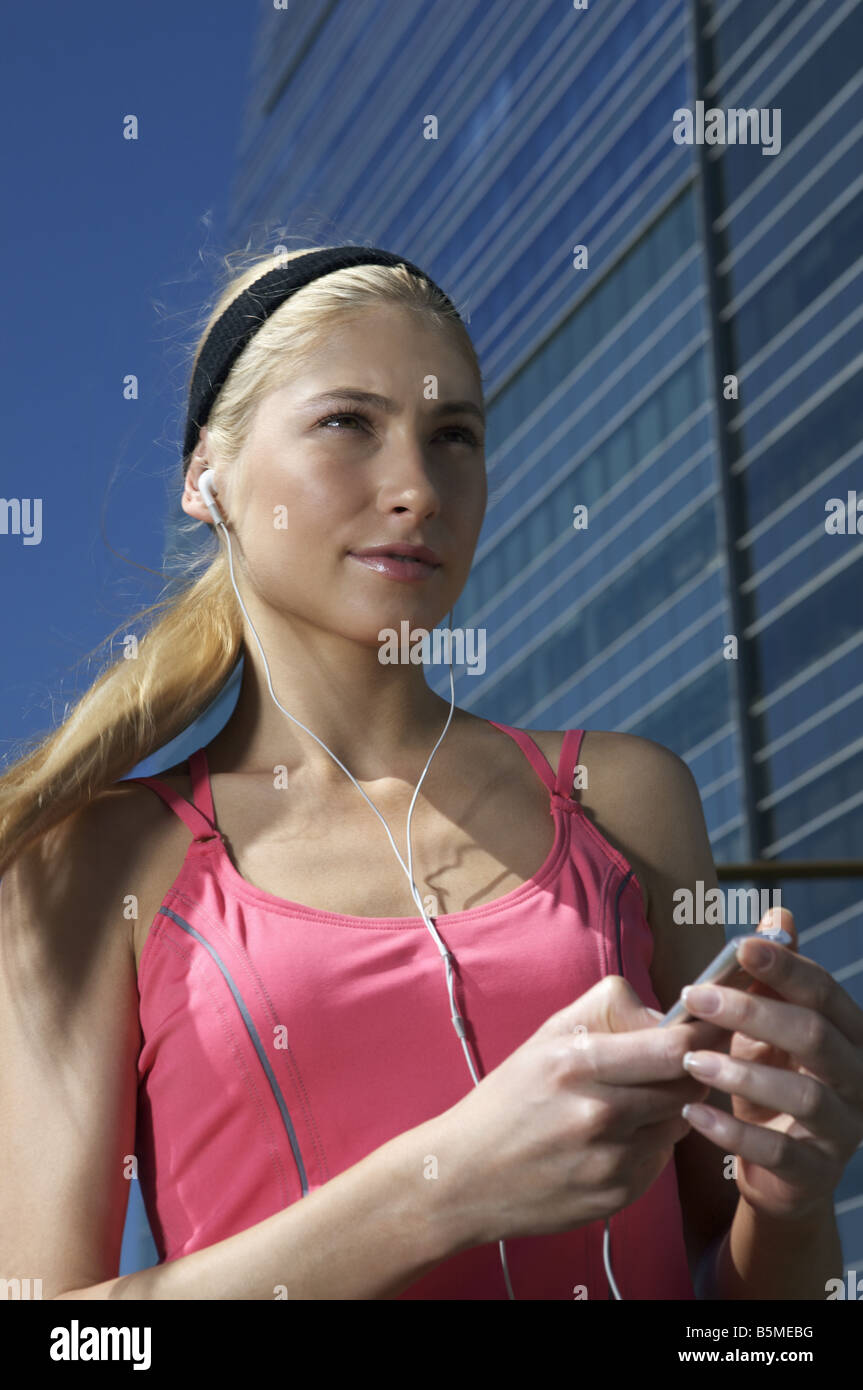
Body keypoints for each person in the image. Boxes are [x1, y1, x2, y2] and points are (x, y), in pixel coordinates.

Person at [1, 246, 859, 1302]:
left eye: (453, 436)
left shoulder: (625, 799)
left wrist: (789, 1204)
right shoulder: (93, 860)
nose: (416, 488)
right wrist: (445, 1185)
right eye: (346, 424)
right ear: (206, 476)